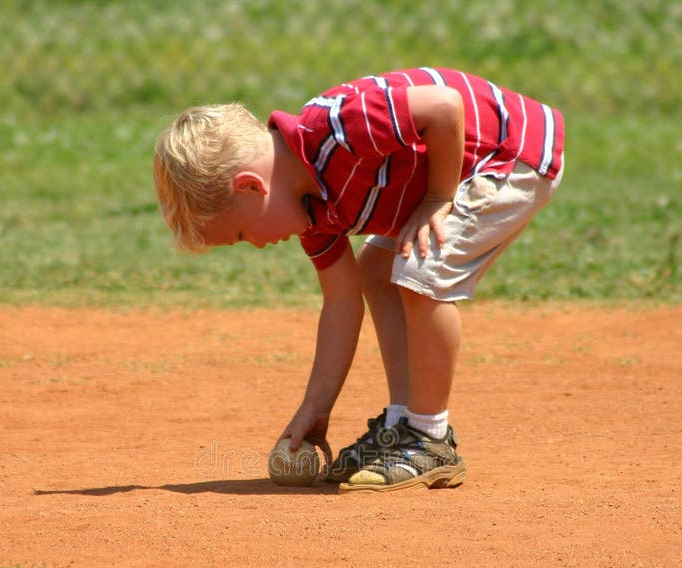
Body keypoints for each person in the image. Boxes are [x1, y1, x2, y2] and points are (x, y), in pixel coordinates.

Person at [153, 66, 565, 492]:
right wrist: (316, 406)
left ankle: (429, 438)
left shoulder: (338, 129)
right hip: (468, 165)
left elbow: (444, 107)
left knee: (422, 267)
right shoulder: (314, 214)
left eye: (240, 235)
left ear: (251, 187)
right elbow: (342, 304)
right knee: (377, 270)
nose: (255, 246)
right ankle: (402, 427)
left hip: (510, 152)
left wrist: (438, 198)